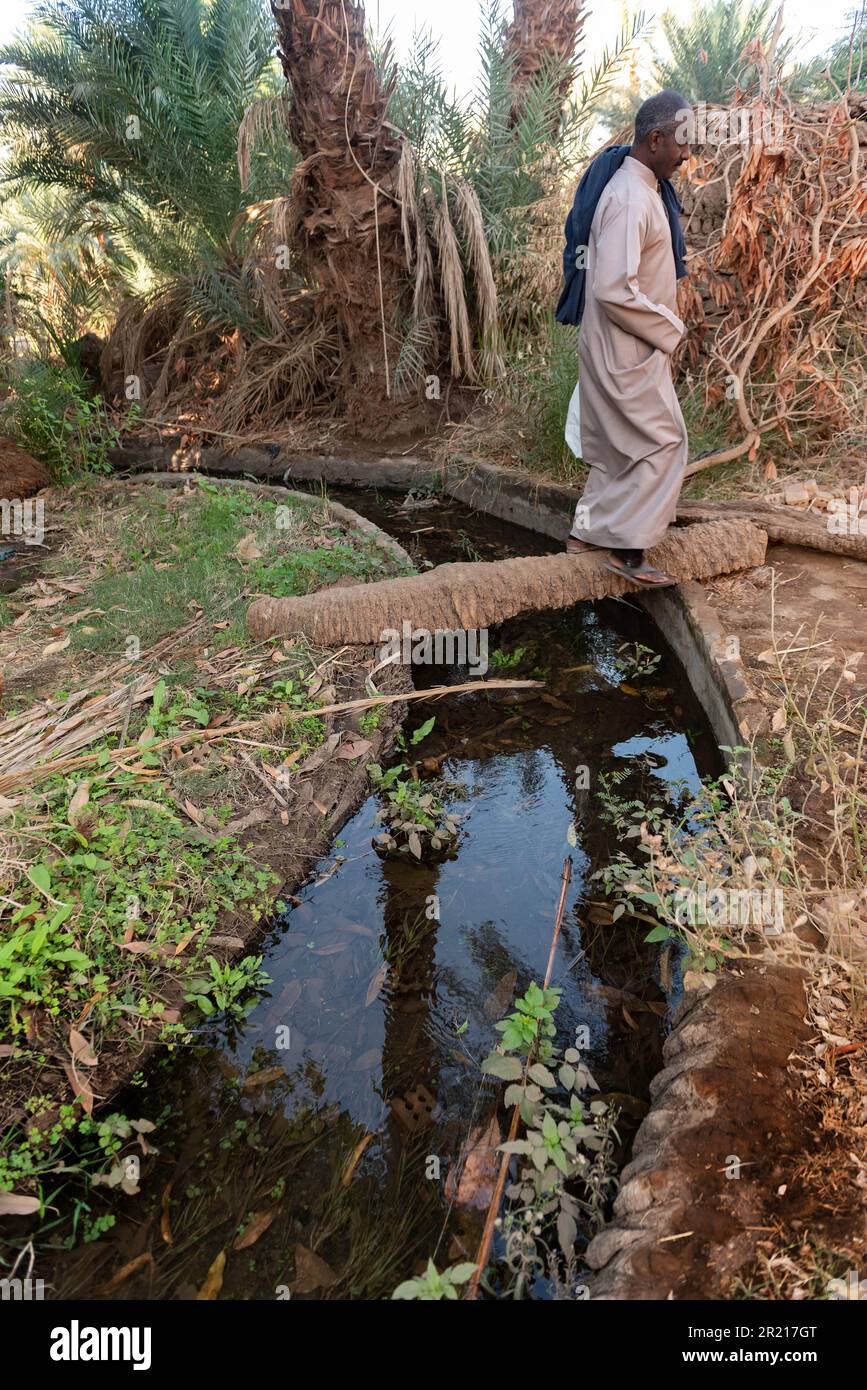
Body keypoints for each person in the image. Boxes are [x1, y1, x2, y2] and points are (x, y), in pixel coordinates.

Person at [561, 91, 691, 586]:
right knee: (663, 442)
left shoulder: (642, 190)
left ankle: (585, 532)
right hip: (627, 346)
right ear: (655, 139)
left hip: (628, 345)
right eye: (681, 144)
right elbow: (614, 288)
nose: (686, 154)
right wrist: (669, 331)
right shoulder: (630, 197)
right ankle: (628, 551)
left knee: (619, 445)